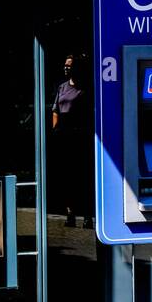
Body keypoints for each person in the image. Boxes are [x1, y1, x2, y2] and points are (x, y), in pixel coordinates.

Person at [51, 53, 93, 228]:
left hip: (80, 135)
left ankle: (87, 215)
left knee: (82, 176)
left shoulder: (84, 89)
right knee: (67, 176)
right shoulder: (62, 87)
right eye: (65, 65)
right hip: (64, 135)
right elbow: (55, 109)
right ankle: (70, 213)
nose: (66, 68)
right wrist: (55, 129)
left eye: (69, 65)